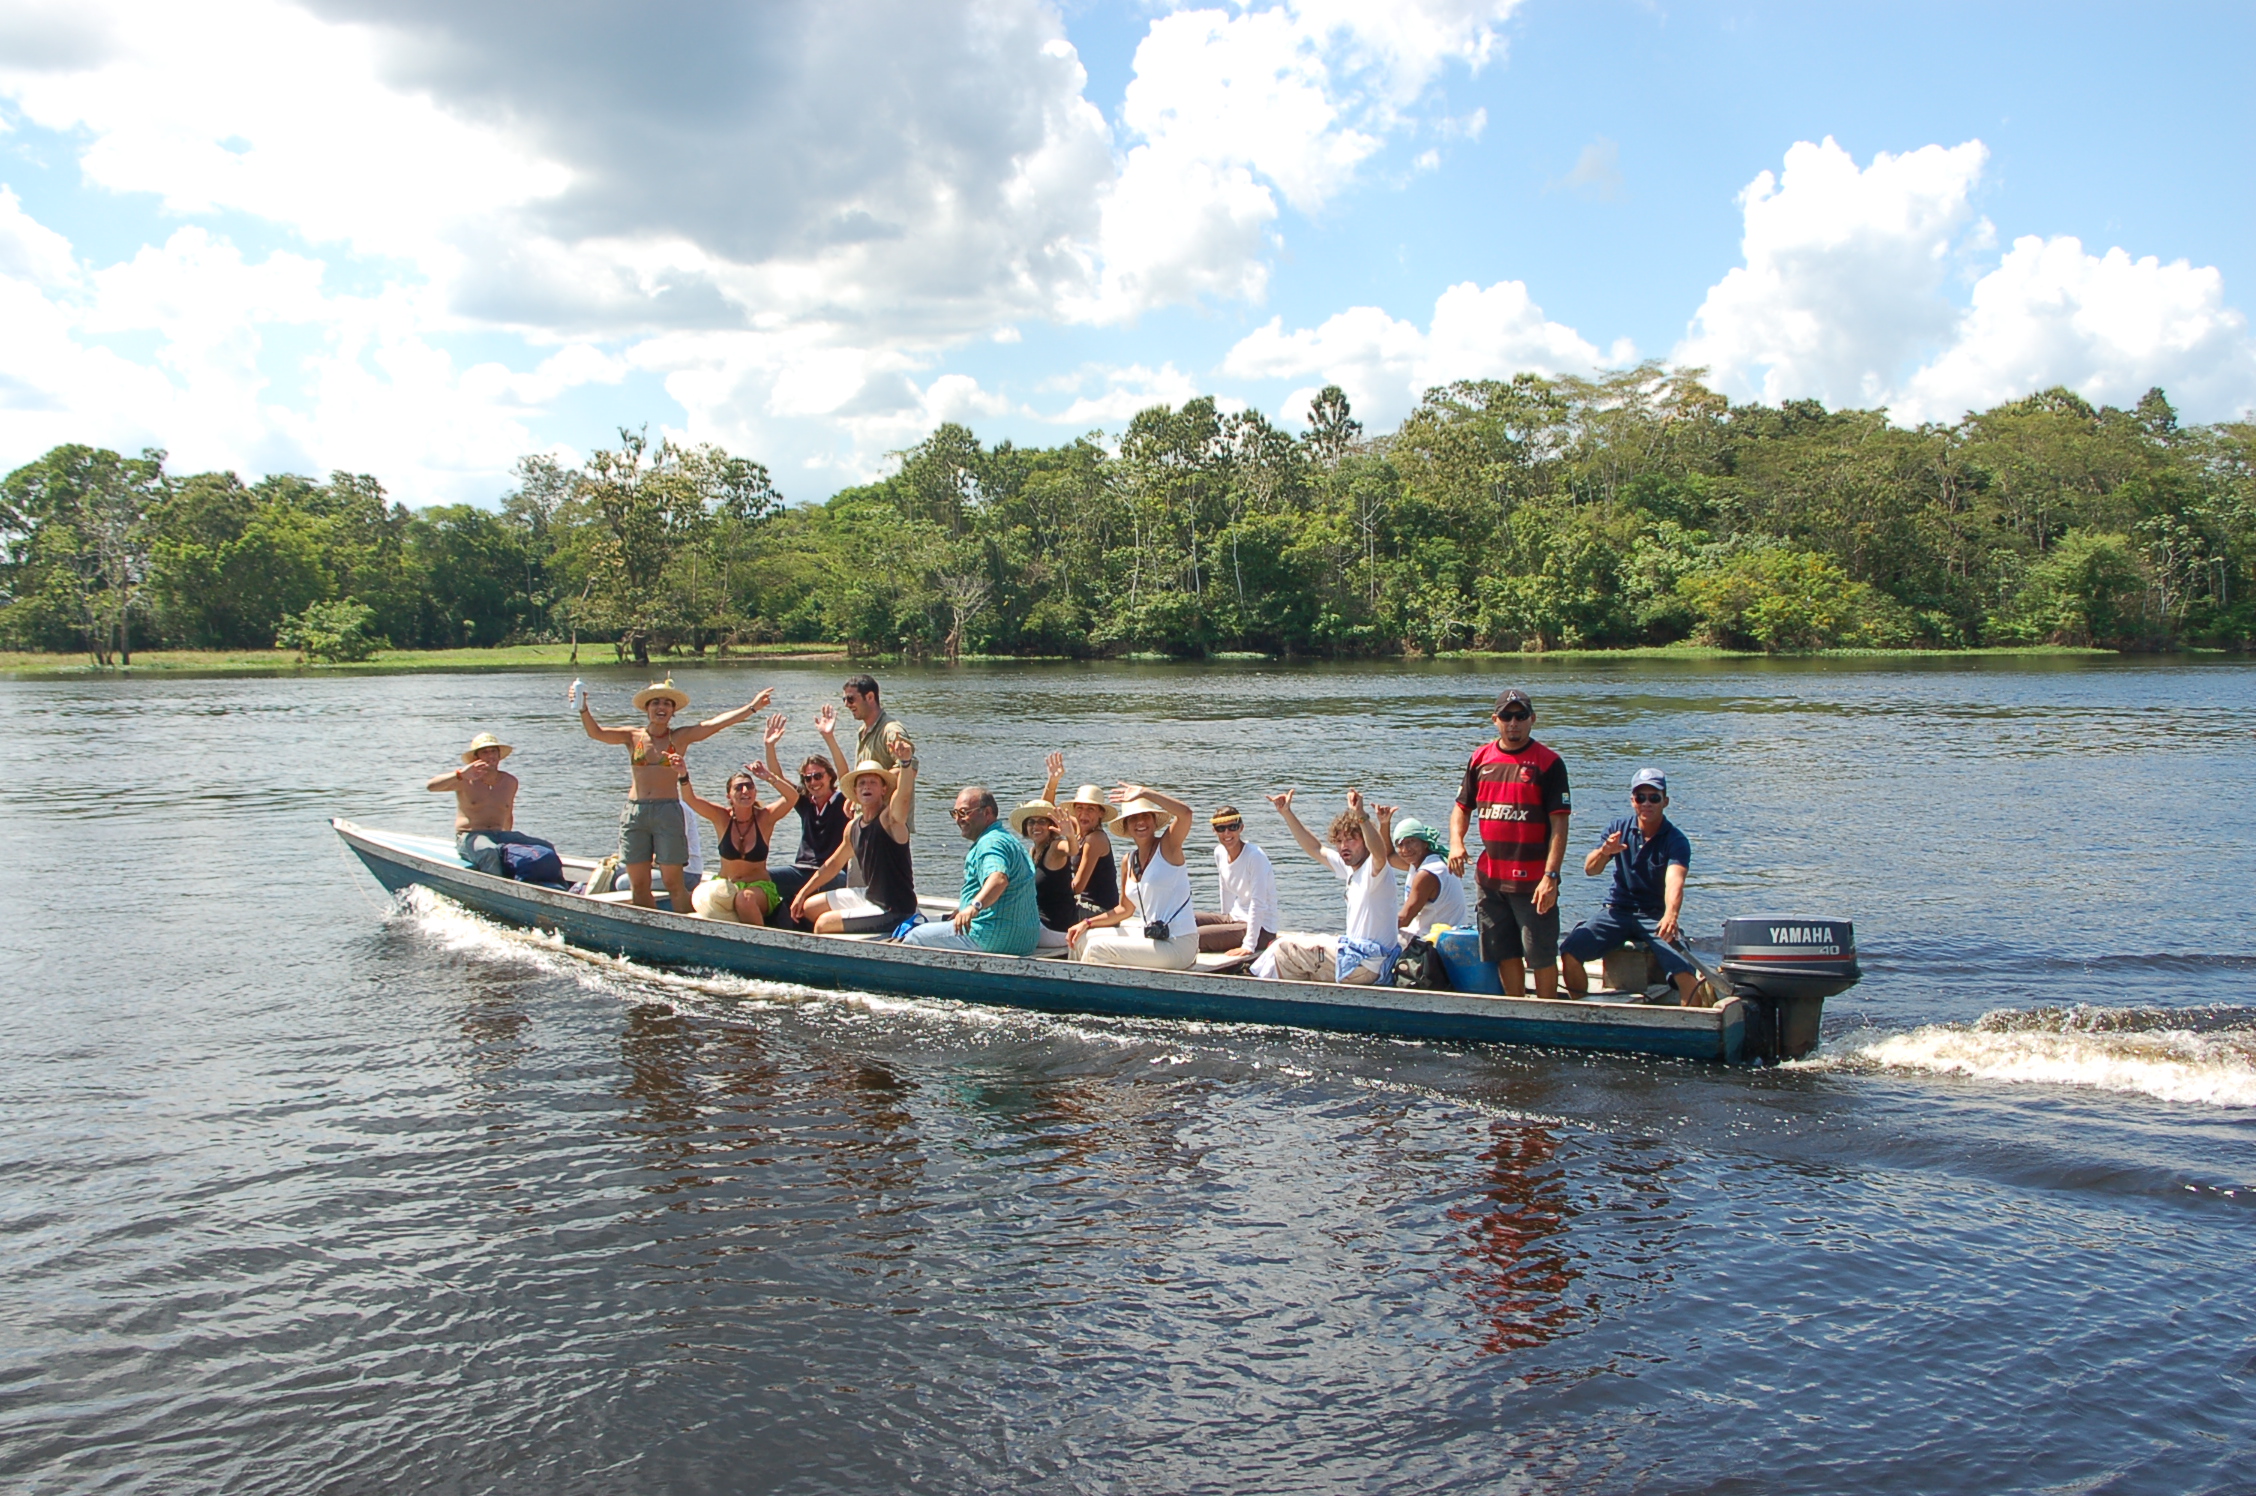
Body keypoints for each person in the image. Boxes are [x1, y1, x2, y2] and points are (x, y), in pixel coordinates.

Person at [579, 677, 773, 911]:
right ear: (647, 708)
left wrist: (752, 707)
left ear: (673, 711)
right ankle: (648, 929)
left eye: (667, 704)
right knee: (639, 884)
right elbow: (596, 732)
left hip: (667, 811)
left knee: (674, 883)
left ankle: (688, 928)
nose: (661, 708)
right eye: (655, 703)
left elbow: (715, 724)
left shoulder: (679, 737)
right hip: (635, 812)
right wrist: (582, 707)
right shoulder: (632, 736)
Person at [1448, 688, 1571, 999]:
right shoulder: (1480, 759)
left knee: (1540, 953)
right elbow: (1461, 808)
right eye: (1506, 716)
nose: (1513, 723)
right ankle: (1516, 1008)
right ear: (1495, 720)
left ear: (1532, 719)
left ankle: (1548, 1013)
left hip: (1533, 882)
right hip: (1490, 881)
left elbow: (1560, 823)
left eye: (1520, 716)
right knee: (1503, 951)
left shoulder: (1549, 763)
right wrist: (1456, 843)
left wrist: (1551, 876)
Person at [1561, 768, 1702, 1004]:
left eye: (1654, 798)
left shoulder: (1675, 840)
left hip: (1654, 915)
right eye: (1641, 797)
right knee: (1569, 951)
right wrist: (1605, 852)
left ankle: (1694, 1024)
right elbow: (1590, 869)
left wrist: (1671, 915)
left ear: (1665, 801)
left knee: (1684, 969)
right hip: (1618, 910)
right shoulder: (1619, 829)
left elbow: (1674, 882)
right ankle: (1584, 1009)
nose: (1647, 803)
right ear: (1632, 801)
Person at [1252, 790, 1401, 984]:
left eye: (1350, 840)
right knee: (1294, 949)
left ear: (1364, 841)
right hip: (1359, 960)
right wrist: (1286, 813)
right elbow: (1315, 848)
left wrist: (1361, 815)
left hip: (1368, 965)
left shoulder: (1375, 871)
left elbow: (1380, 853)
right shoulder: (1350, 869)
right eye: (1339, 841)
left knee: (1283, 949)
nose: (1343, 847)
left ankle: (1276, 1000)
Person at [680, 715, 801, 924]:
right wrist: (683, 774)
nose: (745, 791)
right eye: (739, 787)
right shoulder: (721, 818)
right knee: (707, 901)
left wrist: (768, 776)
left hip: (759, 890)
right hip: (726, 887)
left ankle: (760, 945)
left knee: (744, 900)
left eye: (750, 786)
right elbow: (690, 799)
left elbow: (793, 797)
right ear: (729, 795)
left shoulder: (765, 818)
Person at [1066, 785, 1199, 970]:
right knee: (1080, 938)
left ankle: (1088, 995)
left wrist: (1146, 792)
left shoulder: (1168, 847)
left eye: (1145, 816)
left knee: (1097, 948)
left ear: (1154, 821)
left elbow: (1186, 814)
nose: (1140, 822)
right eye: (1133, 818)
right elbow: (1124, 910)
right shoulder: (1129, 860)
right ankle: (1072, 988)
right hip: (1154, 937)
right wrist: (1086, 923)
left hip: (1179, 944)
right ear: (1127, 826)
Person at [899, 785, 1041, 955]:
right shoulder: (1007, 839)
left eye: (965, 812)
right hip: (1025, 940)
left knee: (914, 937)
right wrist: (962, 908)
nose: (959, 819)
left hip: (993, 937)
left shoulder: (990, 842)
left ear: (987, 813)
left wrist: (974, 907)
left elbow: (998, 879)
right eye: (955, 813)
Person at [790, 757, 920, 935]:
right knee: (809, 907)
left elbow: (903, 797)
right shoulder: (853, 827)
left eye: (873, 782)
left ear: (883, 789)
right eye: (862, 783)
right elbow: (833, 865)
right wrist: (802, 893)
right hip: (870, 896)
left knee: (823, 924)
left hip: (895, 909)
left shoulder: (889, 820)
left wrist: (905, 763)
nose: (867, 787)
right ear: (855, 791)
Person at [429, 732, 556, 877]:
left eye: (493, 751)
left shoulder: (509, 781)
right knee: (489, 851)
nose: (490, 756)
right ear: (477, 757)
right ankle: (497, 889)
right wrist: (460, 774)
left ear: (499, 754)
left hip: (500, 834)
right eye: (485, 752)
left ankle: (559, 887)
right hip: (470, 835)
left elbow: (508, 814)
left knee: (545, 847)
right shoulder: (464, 780)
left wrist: (511, 843)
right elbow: (431, 786)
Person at [818, 674, 915, 831]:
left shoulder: (891, 730)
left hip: (888, 826)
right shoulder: (863, 731)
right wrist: (856, 796)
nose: (847, 705)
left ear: (870, 697)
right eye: (844, 700)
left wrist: (872, 787)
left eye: (850, 699)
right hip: (866, 822)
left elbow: (911, 769)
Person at [768, 743, 849, 917]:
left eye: (818, 776)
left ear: (830, 777)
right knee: (763, 878)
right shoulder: (805, 803)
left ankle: (804, 905)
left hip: (833, 874)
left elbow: (846, 778)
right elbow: (778, 779)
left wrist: (829, 738)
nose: (813, 782)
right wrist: (770, 745)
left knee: (831, 881)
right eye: (808, 778)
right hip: (803, 870)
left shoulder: (844, 802)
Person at [1204, 805, 1280, 959]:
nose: (1227, 833)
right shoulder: (1219, 852)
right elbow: (1225, 889)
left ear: (1241, 828)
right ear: (1214, 831)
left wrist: (1248, 945)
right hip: (1235, 918)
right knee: (1184, 921)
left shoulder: (1255, 856)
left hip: (1262, 930)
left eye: (1232, 827)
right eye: (1221, 828)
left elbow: (1258, 903)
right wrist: (1223, 925)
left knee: (1195, 936)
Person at [1009, 797, 1079, 951]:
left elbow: (1072, 850)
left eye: (1042, 821)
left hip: (1055, 929)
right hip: (1040, 923)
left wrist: (1070, 835)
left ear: (1051, 826)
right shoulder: (1033, 851)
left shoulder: (1055, 847)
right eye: (1031, 822)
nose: (1036, 826)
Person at [1389, 815, 1468, 939]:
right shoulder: (1423, 861)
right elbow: (1388, 856)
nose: (1405, 849)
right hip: (1436, 935)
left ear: (1425, 843)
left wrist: (1371, 928)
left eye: (1411, 841)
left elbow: (1404, 919)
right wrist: (1384, 822)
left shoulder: (1428, 873)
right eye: (1400, 844)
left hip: (1437, 943)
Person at [1055, 776, 1121, 918]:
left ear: (1100, 813)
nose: (1084, 814)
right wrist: (1052, 781)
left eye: (1090, 809)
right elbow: (1048, 810)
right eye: (1080, 808)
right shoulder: (1078, 829)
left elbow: (1078, 887)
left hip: (1100, 911)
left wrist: (1049, 890)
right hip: (1083, 904)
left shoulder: (1095, 839)